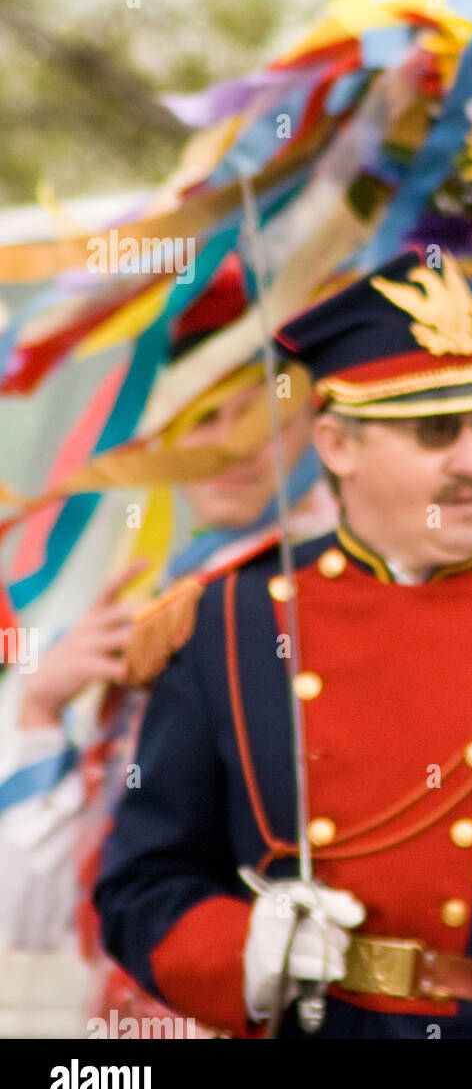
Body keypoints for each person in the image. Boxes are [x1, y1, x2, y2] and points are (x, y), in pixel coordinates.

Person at [95, 249, 472, 1038]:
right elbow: (143, 881)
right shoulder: (233, 616)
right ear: (337, 445)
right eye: (436, 431)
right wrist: (244, 949)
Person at [0, 254, 334, 1033]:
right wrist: (43, 706)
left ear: (314, 422)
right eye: (200, 421)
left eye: (254, 418)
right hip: (135, 1012)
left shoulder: (341, 580)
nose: (224, 449)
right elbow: (34, 909)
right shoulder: (155, 590)